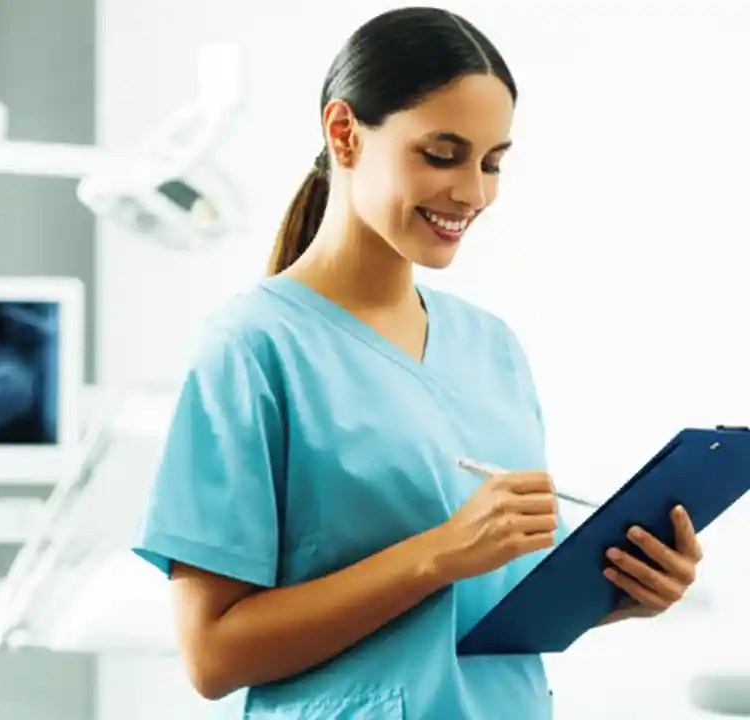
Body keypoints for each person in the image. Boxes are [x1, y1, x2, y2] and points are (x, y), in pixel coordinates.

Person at [132, 7, 705, 719]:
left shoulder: (491, 349)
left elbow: (481, 615)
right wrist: (437, 554)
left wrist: (621, 593)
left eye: (492, 162)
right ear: (344, 134)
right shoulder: (253, 347)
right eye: (442, 154)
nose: (473, 192)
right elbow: (212, 655)